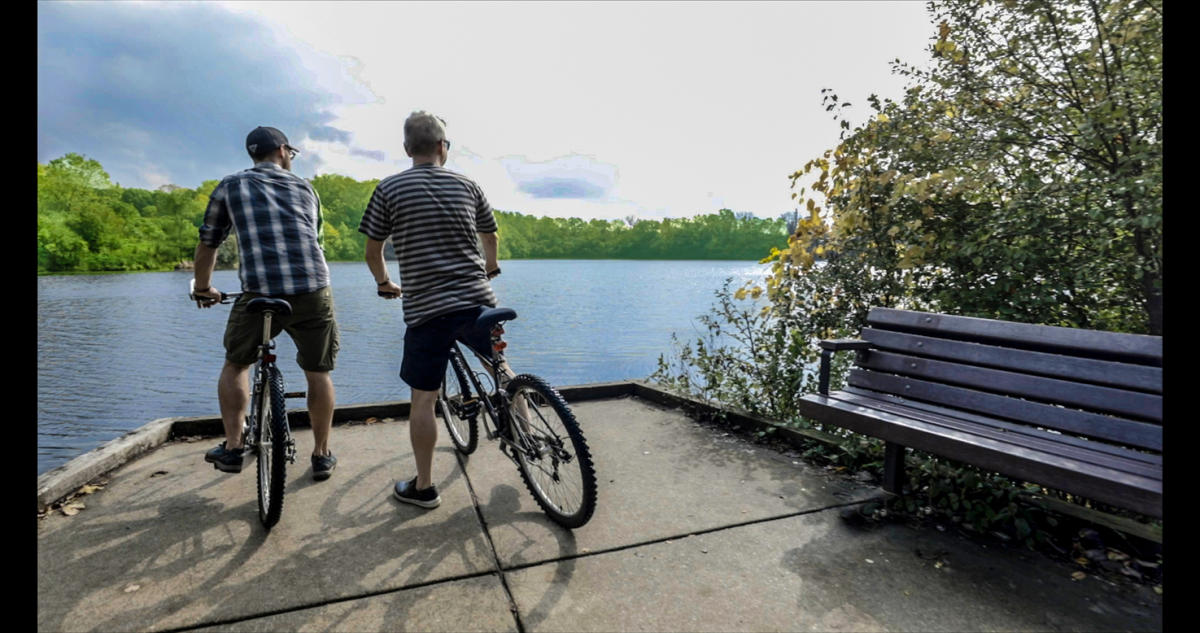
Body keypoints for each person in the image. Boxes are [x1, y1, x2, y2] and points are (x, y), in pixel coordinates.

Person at [359, 110, 504, 509]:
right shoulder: (468, 184)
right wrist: (490, 266)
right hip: (477, 300)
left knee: (423, 400)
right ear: (444, 147)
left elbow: (373, 249)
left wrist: (384, 283)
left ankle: (423, 488)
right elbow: (489, 234)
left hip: (426, 310)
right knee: (501, 370)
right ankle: (525, 438)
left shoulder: (389, 189)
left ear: (407, 148)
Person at [192, 126, 341, 481]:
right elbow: (316, 242)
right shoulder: (306, 188)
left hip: (260, 292)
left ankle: (232, 447)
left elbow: (209, 243)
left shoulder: (231, 185)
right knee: (318, 371)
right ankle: (321, 454)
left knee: (236, 364)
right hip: (312, 290)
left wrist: (203, 288)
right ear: (283, 151)